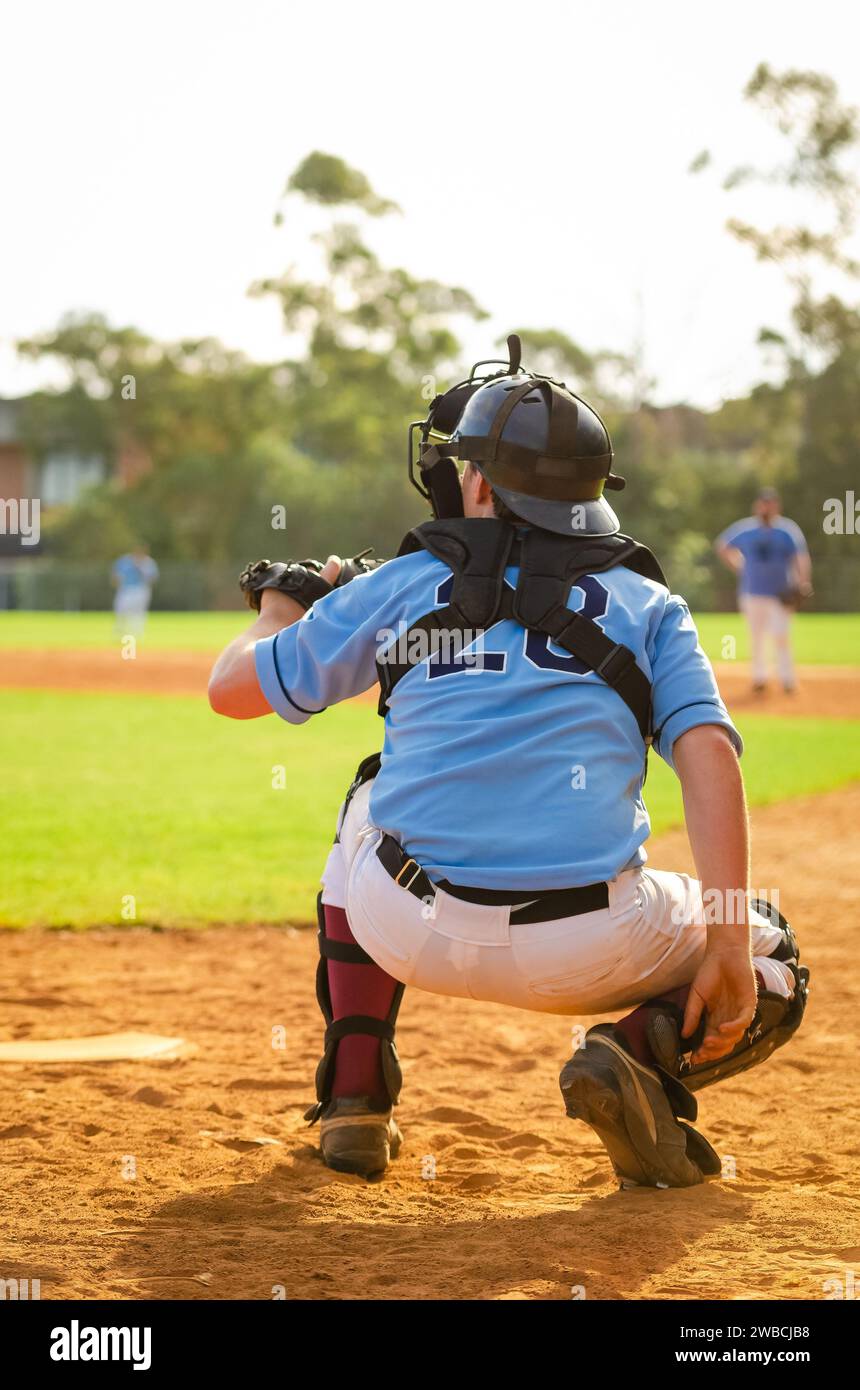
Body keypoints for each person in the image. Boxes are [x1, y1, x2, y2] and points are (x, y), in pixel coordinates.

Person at [209, 337, 808, 1189]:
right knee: (771, 947)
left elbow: (230, 691)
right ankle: (632, 1054)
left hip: (403, 925)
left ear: (478, 484)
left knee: (371, 794)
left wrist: (283, 607)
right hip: (589, 947)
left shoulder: (405, 584)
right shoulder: (651, 605)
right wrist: (723, 937)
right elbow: (710, 758)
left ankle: (355, 1097)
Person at [715, 488, 812, 694]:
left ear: (777, 506)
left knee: (781, 635)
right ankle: (759, 678)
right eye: (763, 503)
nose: (766, 507)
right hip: (752, 592)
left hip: (780, 593)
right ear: (757, 506)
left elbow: (800, 557)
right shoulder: (747, 529)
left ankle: (787, 680)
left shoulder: (786, 530)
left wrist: (804, 581)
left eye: (770, 503)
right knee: (756, 636)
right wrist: (739, 566)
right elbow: (722, 545)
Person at [111, 545, 159, 638]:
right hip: (126, 589)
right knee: (120, 610)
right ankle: (119, 632)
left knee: (139, 612)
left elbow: (152, 578)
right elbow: (116, 575)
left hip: (141, 589)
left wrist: (140, 568)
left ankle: (137, 633)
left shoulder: (148, 562)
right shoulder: (124, 561)